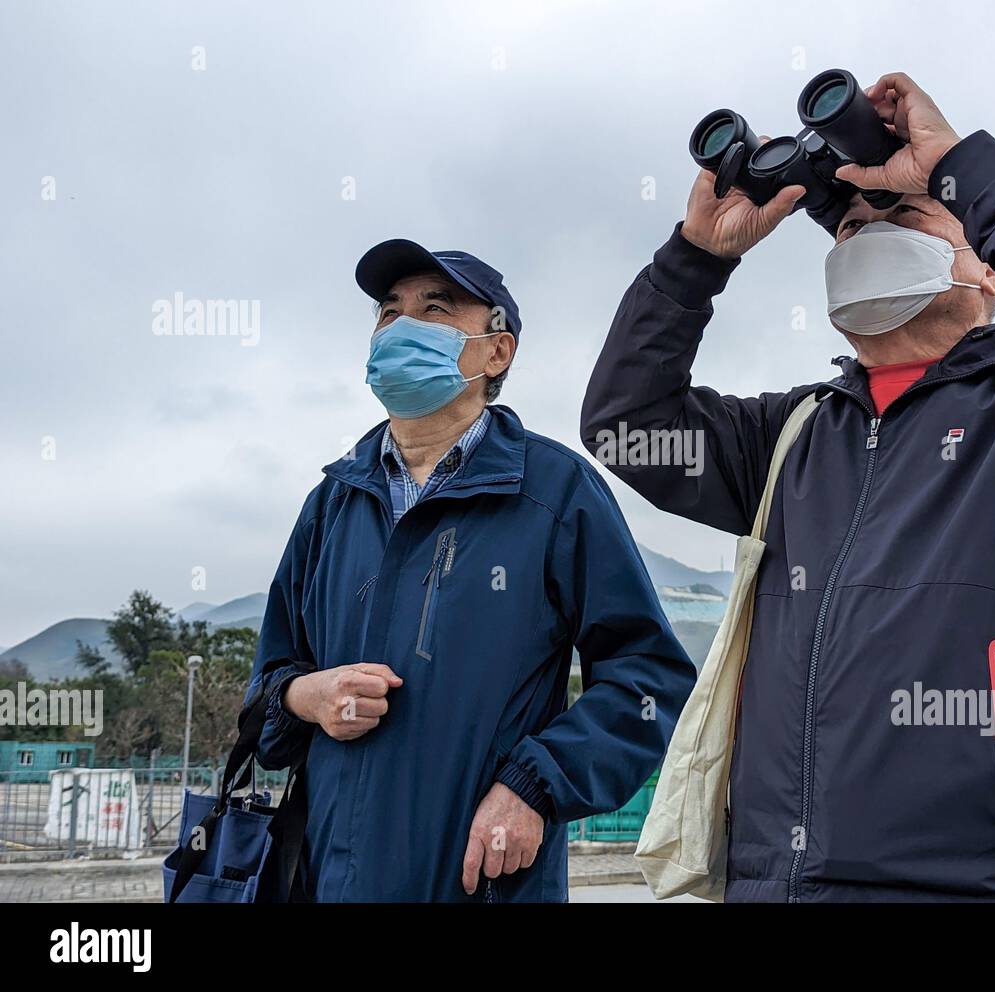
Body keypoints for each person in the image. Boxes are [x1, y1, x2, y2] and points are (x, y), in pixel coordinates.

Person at [581, 72, 995, 902]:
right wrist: (694, 263)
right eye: (851, 225)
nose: (866, 233)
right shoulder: (792, 435)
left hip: (986, 887)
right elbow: (627, 423)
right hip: (779, 885)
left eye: (902, 217)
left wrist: (962, 172)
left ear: (988, 270)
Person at [247, 238, 696, 902]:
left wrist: (534, 786)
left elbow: (647, 679)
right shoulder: (332, 505)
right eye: (389, 311)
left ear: (497, 351)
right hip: (325, 882)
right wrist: (304, 698)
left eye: (434, 309)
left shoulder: (555, 492)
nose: (403, 327)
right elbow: (266, 698)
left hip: (482, 886)